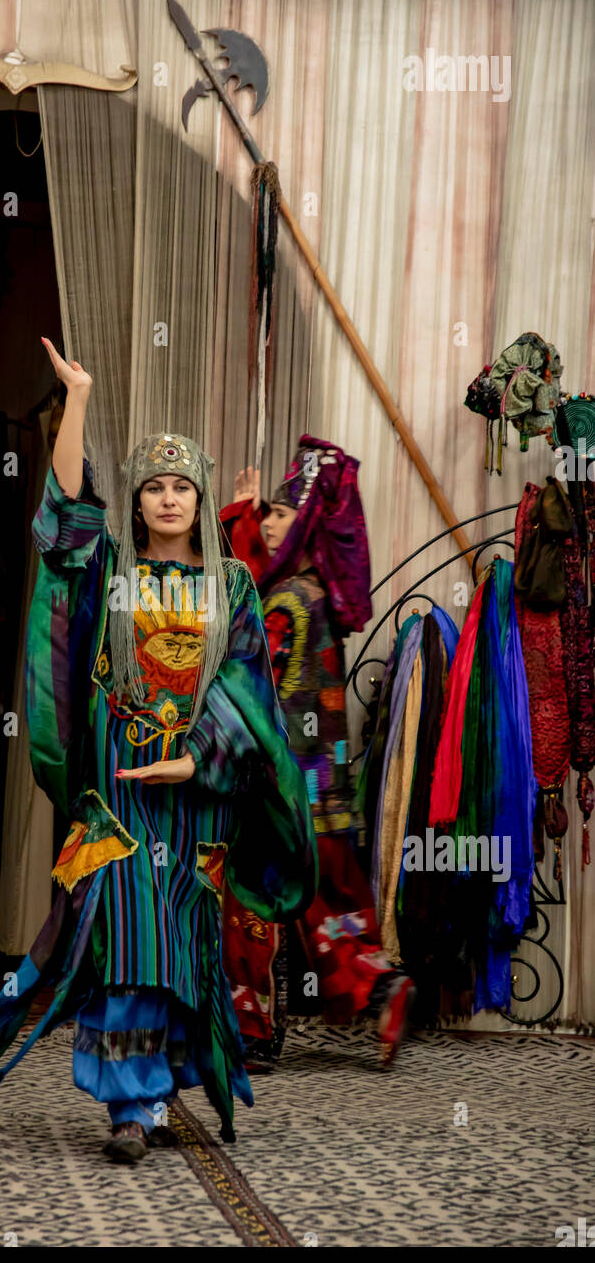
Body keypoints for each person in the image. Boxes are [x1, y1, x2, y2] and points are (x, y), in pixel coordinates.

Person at [0, 340, 318, 1161]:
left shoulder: (229, 586)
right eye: (154, 487)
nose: (168, 498)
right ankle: (131, 1110)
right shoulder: (108, 568)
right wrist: (80, 400)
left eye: (182, 486)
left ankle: (158, 1091)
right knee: (127, 943)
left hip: (195, 788)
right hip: (121, 786)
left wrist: (198, 759)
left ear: (200, 500)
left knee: (178, 948)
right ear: (136, 502)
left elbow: (247, 692)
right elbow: (61, 513)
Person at [219, 436, 416, 1069]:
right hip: (325, 791)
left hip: (280, 787)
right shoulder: (317, 596)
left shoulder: (282, 602)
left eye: (276, 519)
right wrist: (245, 521)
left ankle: (253, 1030)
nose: (268, 530)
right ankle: (383, 984)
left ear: (301, 526)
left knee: (252, 900)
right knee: (328, 904)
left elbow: (253, 676)